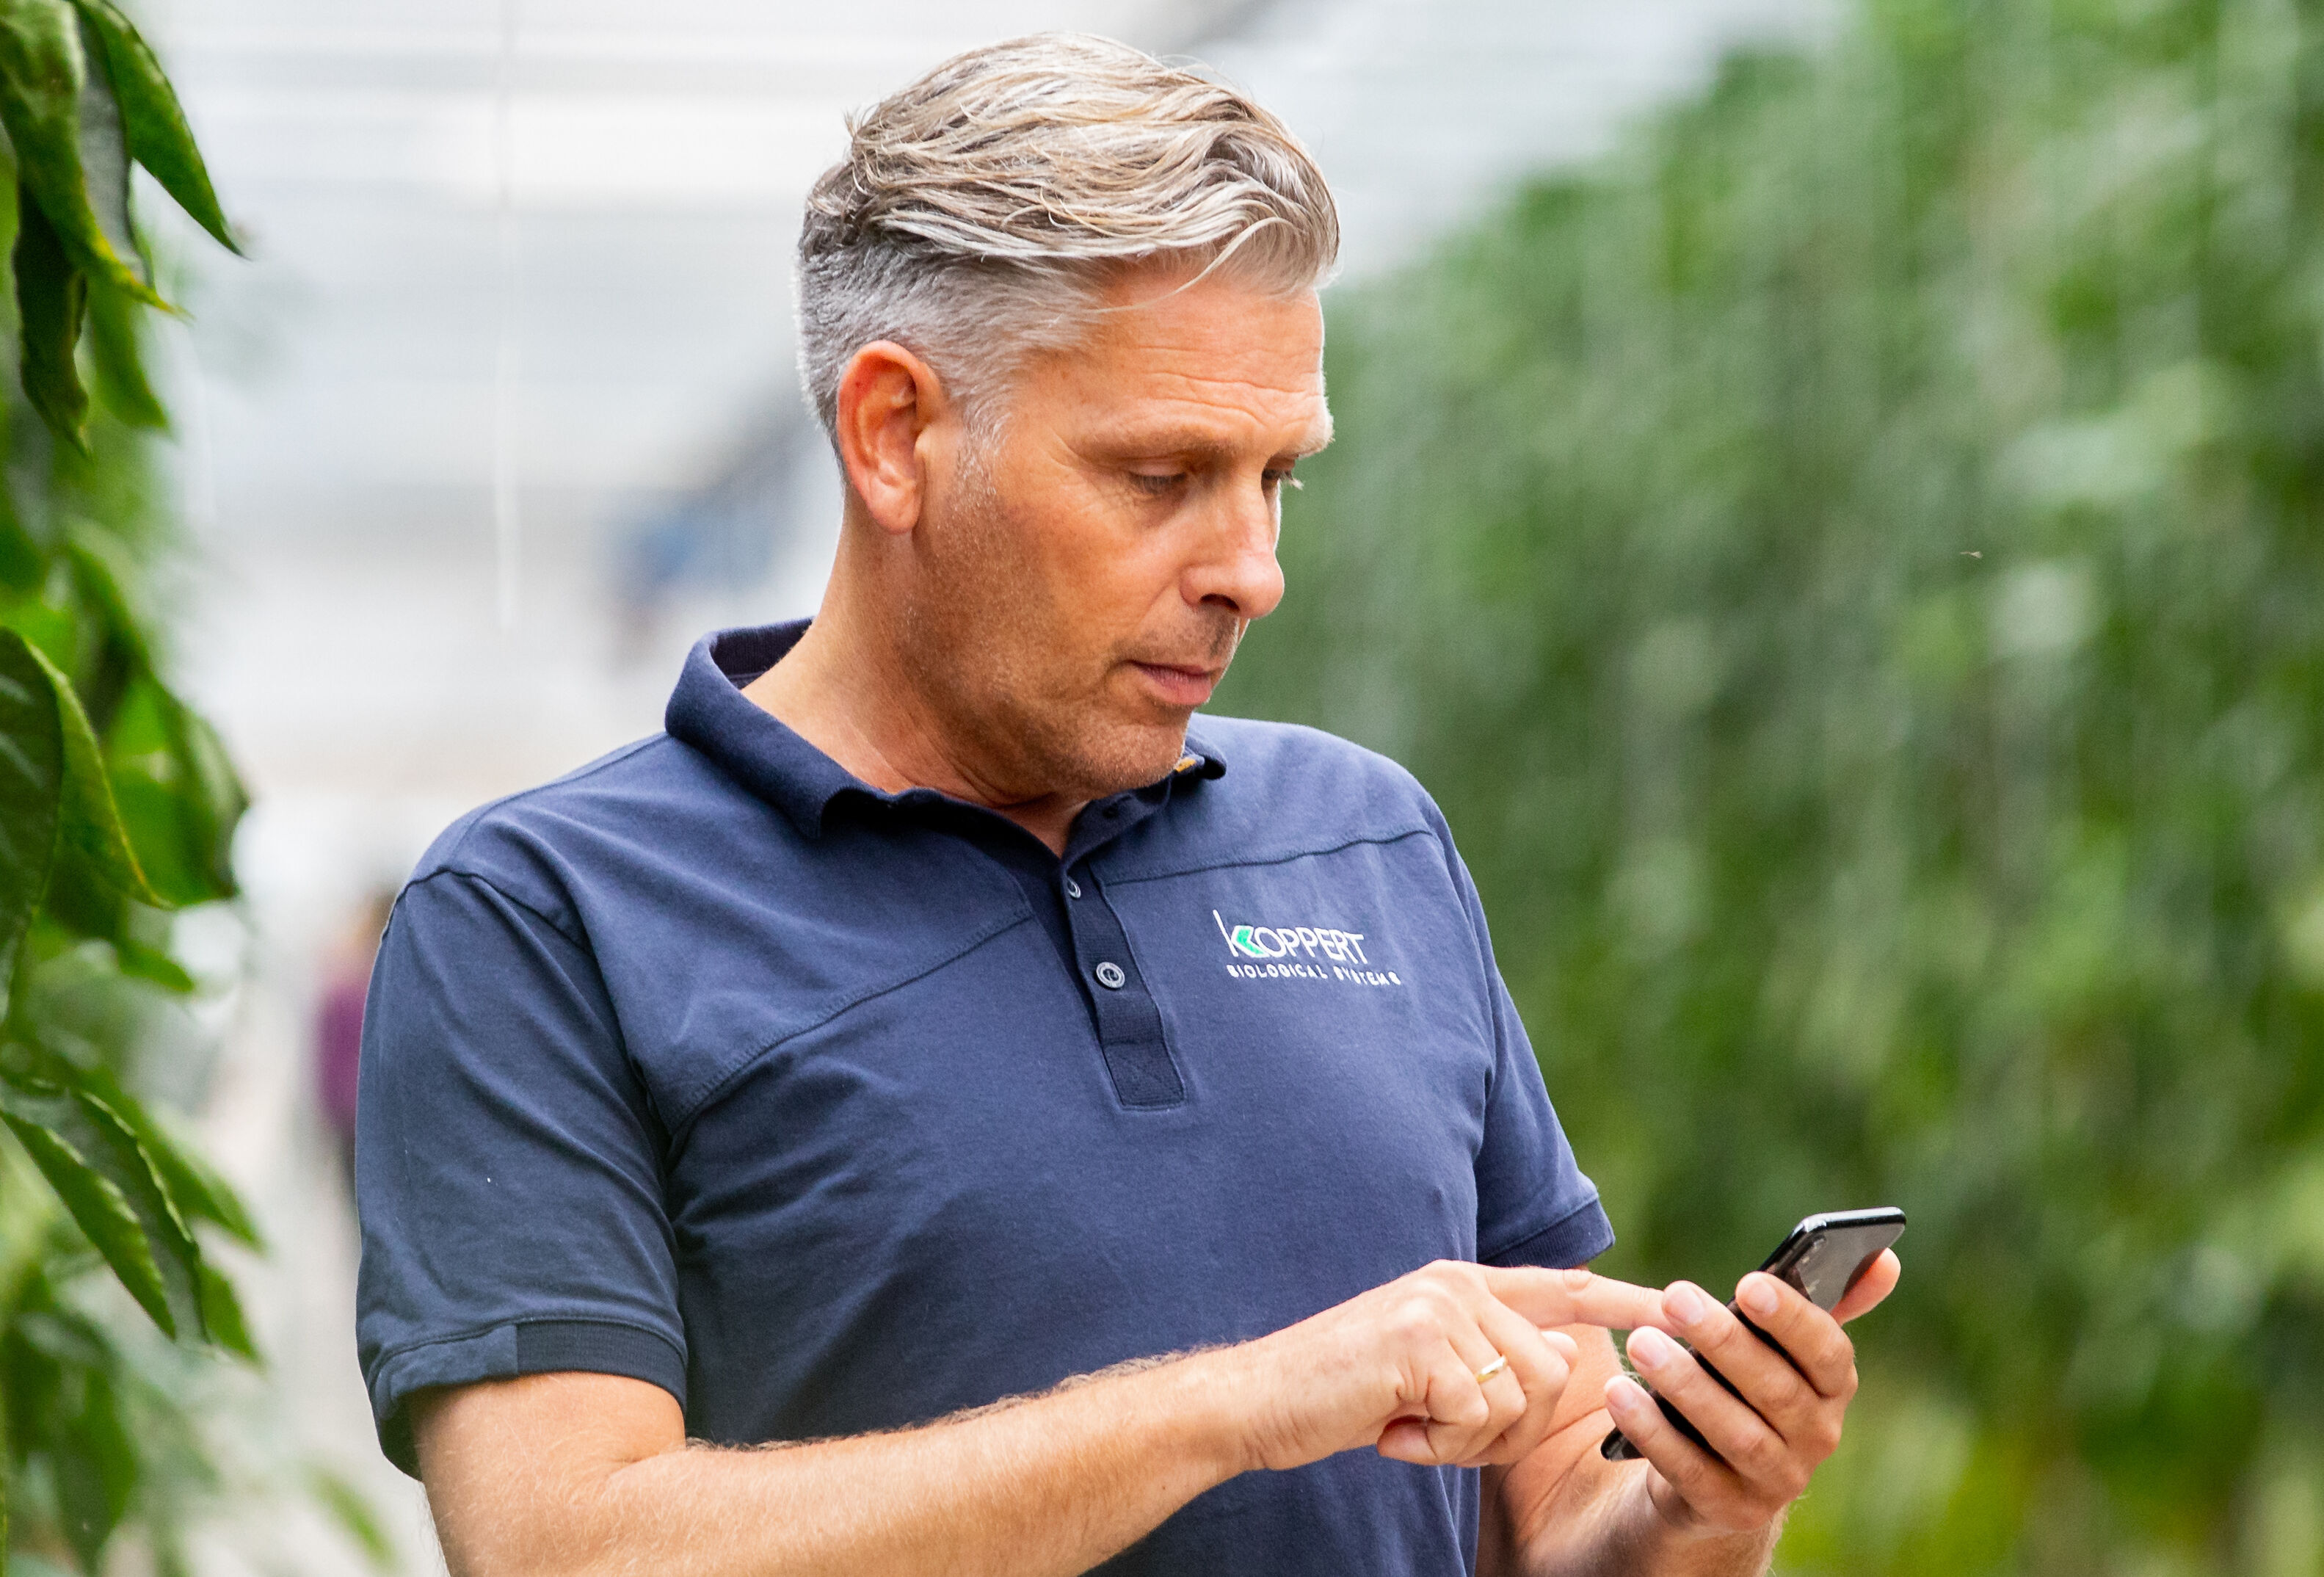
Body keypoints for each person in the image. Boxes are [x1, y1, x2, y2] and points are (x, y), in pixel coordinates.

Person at [355, 34, 1901, 1577]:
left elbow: (1541, 1515)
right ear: (896, 435)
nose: (1254, 571)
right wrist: (1241, 1403)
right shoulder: (547, 918)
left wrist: (1697, 1507)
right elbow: (570, 1550)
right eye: (1161, 478)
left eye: (1275, 477)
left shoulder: (1364, 841)